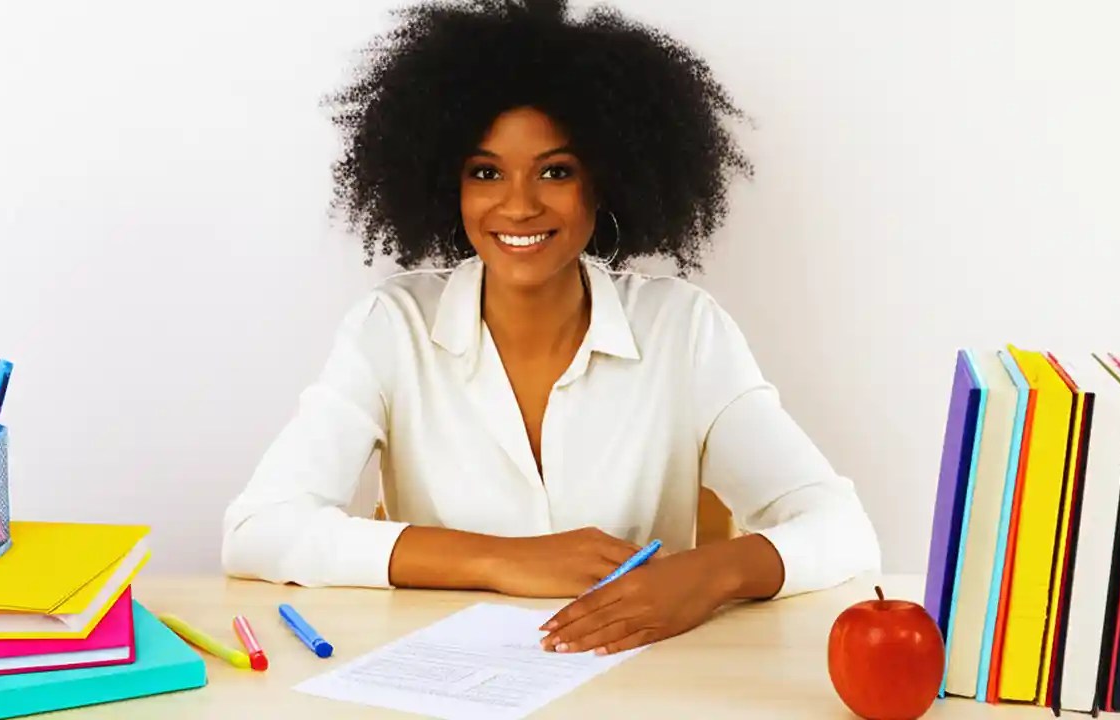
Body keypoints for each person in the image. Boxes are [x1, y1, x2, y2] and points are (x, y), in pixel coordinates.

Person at [222, 0, 880, 656]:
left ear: (605, 181)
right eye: (485, 172)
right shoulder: (391, 329)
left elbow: (843, 527)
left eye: (556, 171)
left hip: (638, 686)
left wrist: (707, 574)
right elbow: (257, 528)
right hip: (446, 688)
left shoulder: (684, 331)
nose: (518, 204)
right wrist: (503, 559)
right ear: (449, 184)